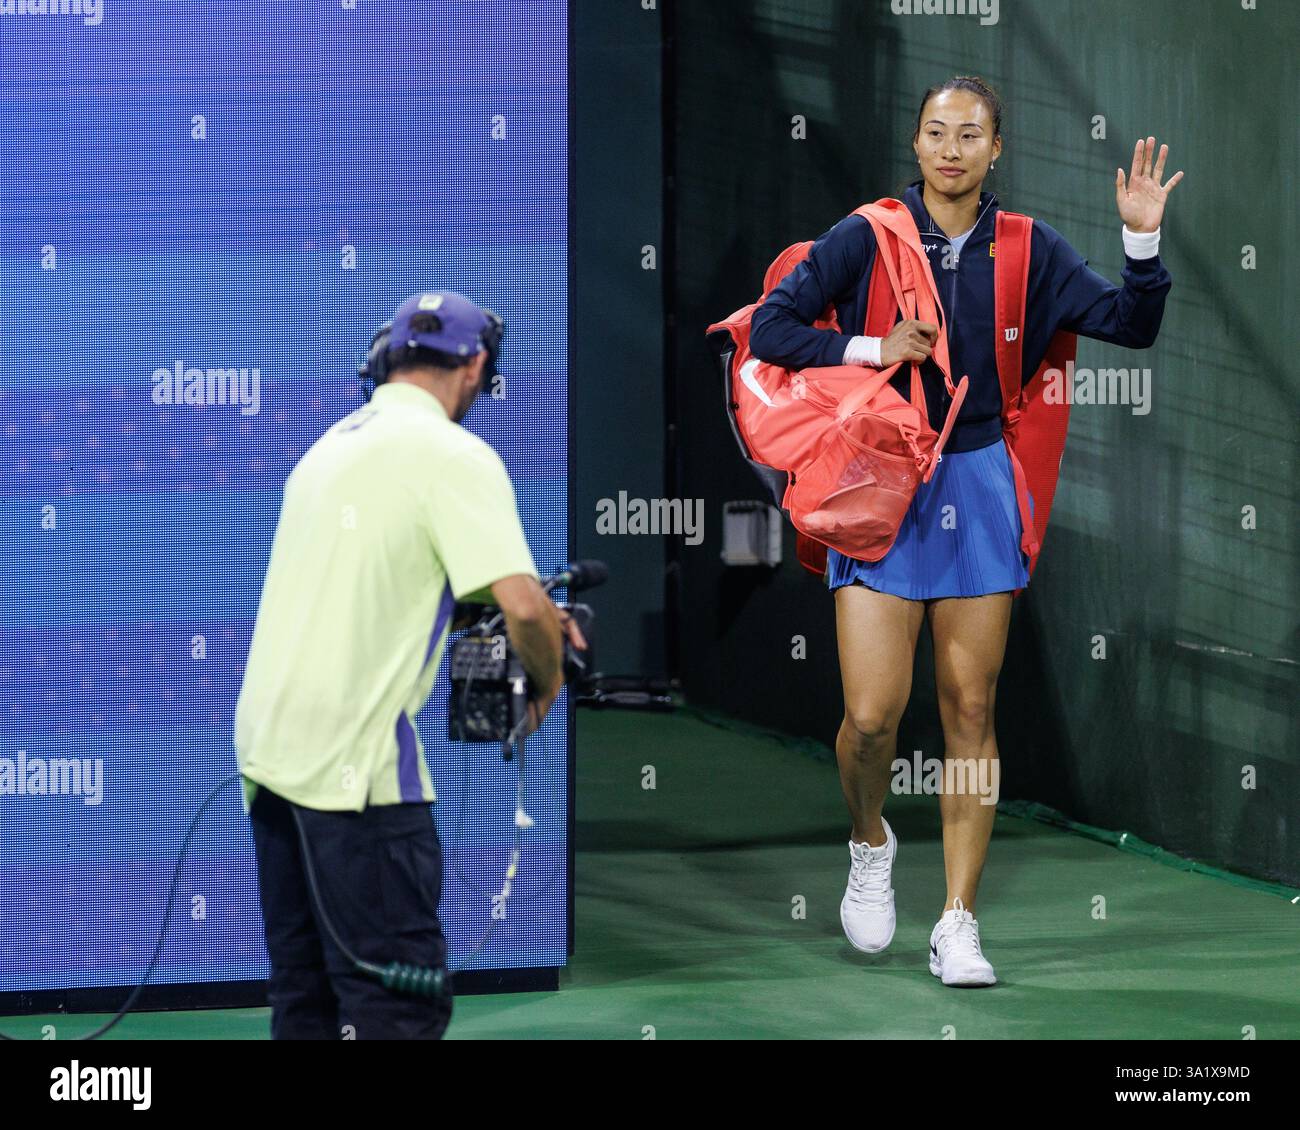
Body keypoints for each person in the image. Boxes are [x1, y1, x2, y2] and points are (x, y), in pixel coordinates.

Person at [748, 76, 1181, 986]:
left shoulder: (1030, 246)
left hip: (979, 484)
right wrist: (871, 350)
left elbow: (1131, 325)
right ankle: (870, 842)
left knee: (971, 710)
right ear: (915, 146)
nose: (951, 148)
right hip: (879, 483)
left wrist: (1141, 237)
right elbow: (777, 328)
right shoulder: (865, 236)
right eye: (936, 132)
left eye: (970, 135)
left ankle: (957, 921)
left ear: (996, 151)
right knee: (871, 718)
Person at [233, 291, 584, 1036]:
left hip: (268, 761)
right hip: (356, 771)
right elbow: (524, 609)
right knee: (397, 1009)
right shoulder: (453, 455)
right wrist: (547, 683)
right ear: (477, 366)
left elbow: (370, 584)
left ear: (385, 358)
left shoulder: (326, 452)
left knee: (307, 1002)